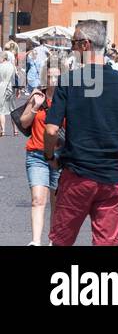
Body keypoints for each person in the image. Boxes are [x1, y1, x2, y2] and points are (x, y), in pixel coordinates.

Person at [46, 20, 118, 246]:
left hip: (77, 175)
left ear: (85, 45)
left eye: (73, 43)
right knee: (106, 242)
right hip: (112, 176)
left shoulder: (69, 81)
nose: (72, 49)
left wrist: (49, 156)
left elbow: (51, 129)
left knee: (61, 240)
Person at [18, 60, 65, 245]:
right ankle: (36, 241)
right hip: (36, 154)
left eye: (56, 75)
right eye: (50, 75)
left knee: (56, 202)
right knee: (38, 199)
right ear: (45, 76)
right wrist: (35, 106)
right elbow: (24, 122)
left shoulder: (67, 98)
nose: (53, 79)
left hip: (60, 157)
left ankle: (52, 240)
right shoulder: (37, 95)